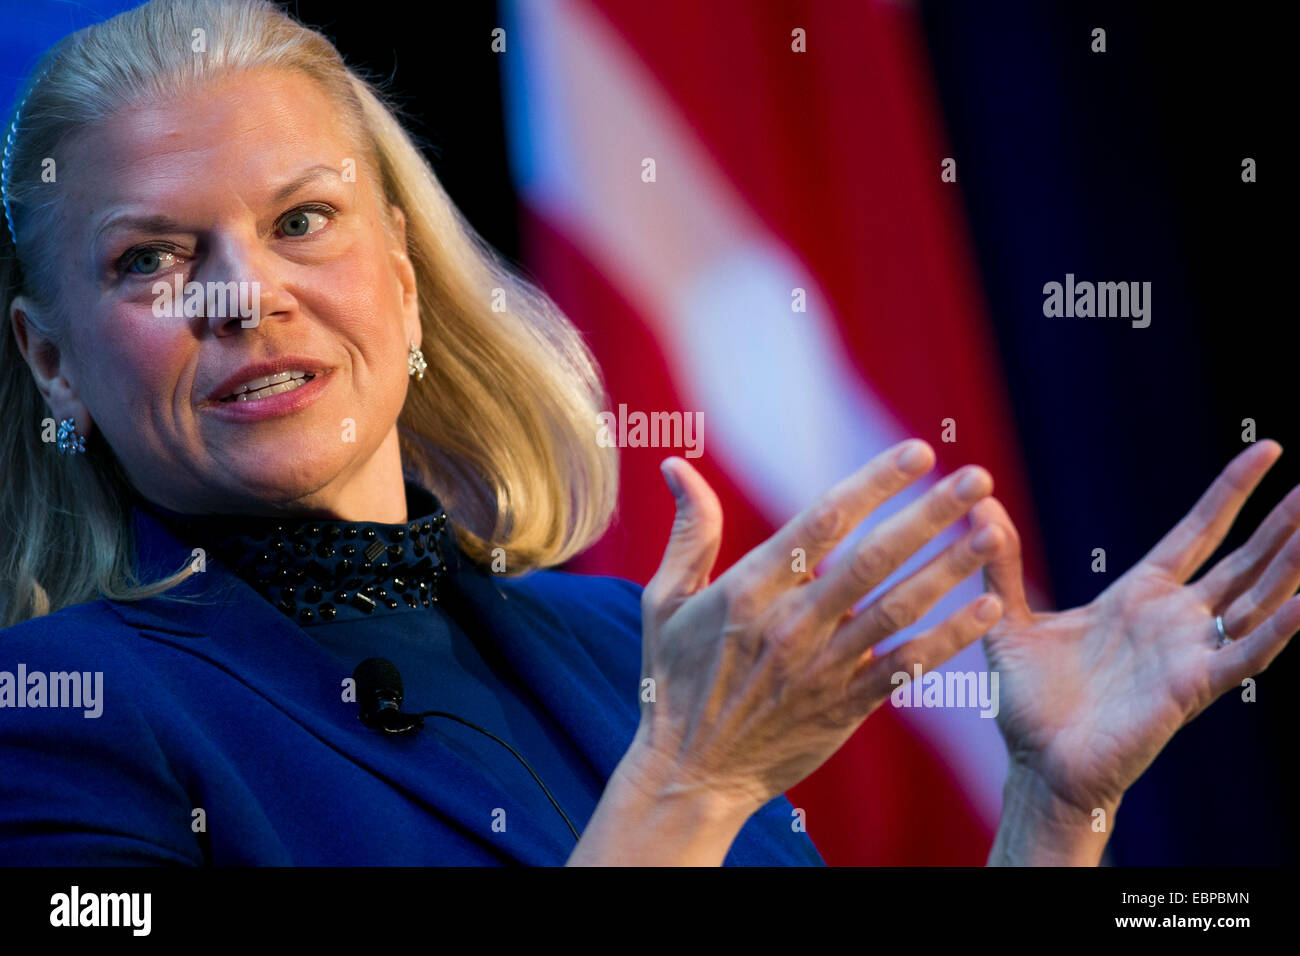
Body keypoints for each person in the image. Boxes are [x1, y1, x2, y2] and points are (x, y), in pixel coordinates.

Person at [2, 0, 1296, 866]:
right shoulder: (58, 722)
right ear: (52, 362)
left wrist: (1052, 810)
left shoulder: (630, 650)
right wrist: (686, 786)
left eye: (301, 223)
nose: (247, 297)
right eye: (154, 260)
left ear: (401, 271)